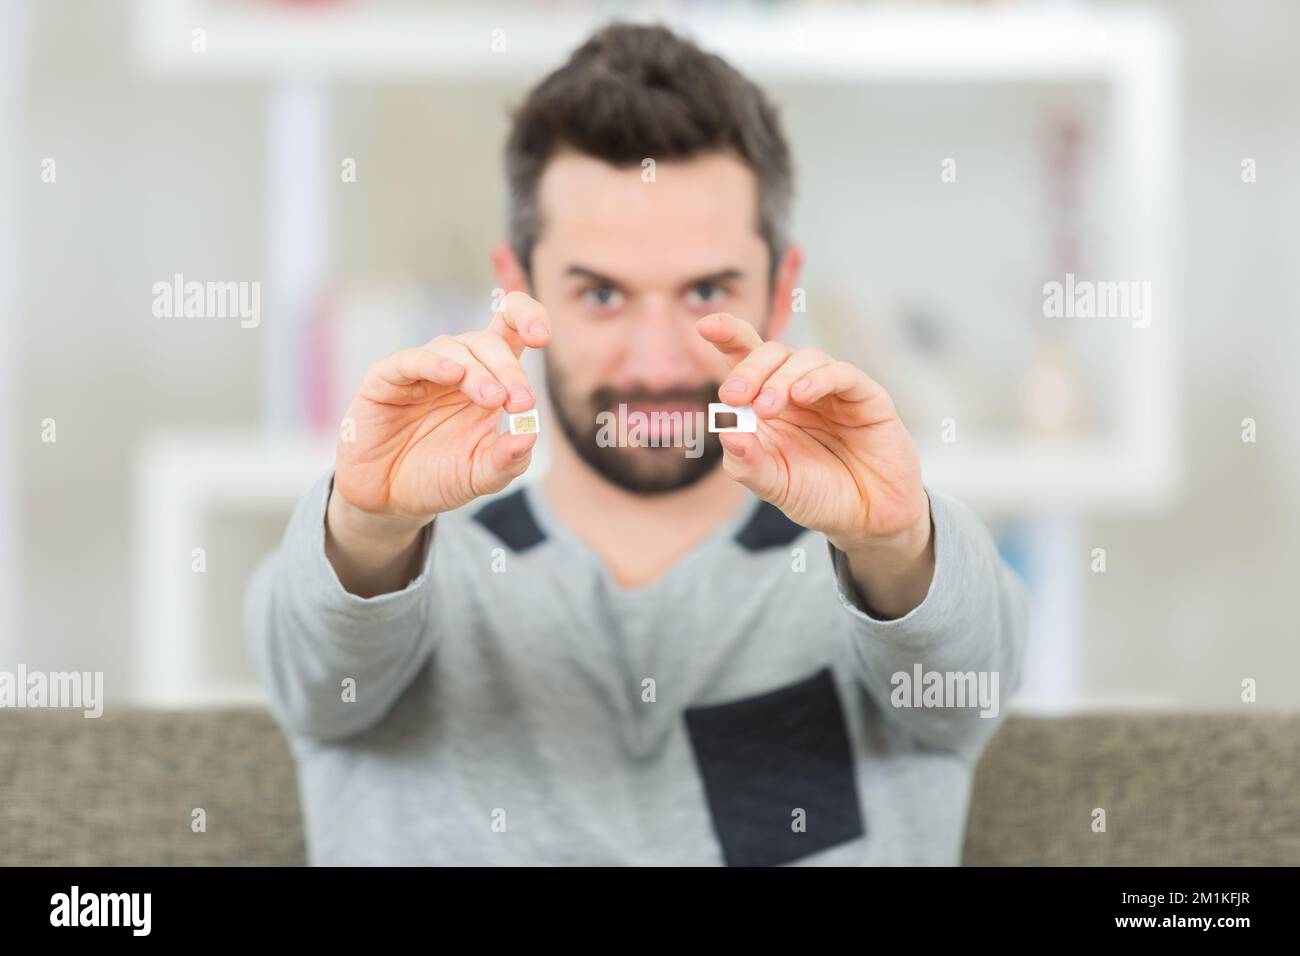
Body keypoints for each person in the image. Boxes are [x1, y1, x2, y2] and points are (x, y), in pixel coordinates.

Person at [246, 22, 1030, 866]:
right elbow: (312, 671)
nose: (656, 364)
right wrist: (366, 531)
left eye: (704, 289)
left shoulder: (884, 577)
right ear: (518, 288)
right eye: (601, 294)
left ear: (781, 290)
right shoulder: (407, 569)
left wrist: (896, 546)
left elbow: (970, 674)